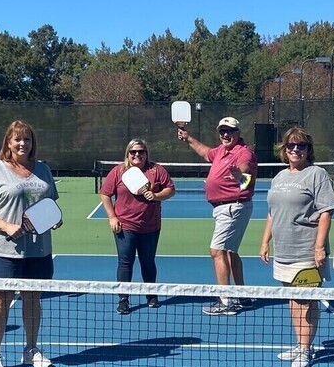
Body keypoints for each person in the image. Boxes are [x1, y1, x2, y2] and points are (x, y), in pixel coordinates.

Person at [0, 120, 60, 367]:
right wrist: (6, 226)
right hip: (4, 250)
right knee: (1, 300)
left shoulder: (43, 170)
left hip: (39, 250)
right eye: (17, 139)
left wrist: (53, 219)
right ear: (9, 143)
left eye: (27, 139)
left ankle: (31, 349)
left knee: (32, 298)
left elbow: (50, 205)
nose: (23, 143)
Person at [260, 127, 334, 367]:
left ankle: (305, 348)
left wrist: (319, 247)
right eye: (291, 145)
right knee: (293, 299)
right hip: (283, 250)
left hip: (306, 250)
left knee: (305, 301)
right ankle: (301, 343)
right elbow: (272, 213)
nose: (295, 149)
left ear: (308, 149)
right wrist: (265, 241)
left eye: (301, 145)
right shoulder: (279, 177)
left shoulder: (317, 174)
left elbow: (326, 212)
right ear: (284, 149)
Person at [177, 116, 258, 316]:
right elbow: (206, 152)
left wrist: (239, 176)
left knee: (217, 251)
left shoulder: (243, 152)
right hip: (226, 208)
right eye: (222, 131)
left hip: (233, 207)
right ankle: (242, 296)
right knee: (230, 252)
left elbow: (245, 174)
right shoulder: (221, 150)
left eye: (229, 131)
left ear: (238, 133)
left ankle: (225, 301)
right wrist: (188, 138)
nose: (225, 134)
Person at [100, 139, 176, 314]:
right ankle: (123, 299)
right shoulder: (118, 171)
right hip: (125, 226)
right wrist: (112, 217)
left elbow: (170, 190)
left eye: (141, 151)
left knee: (148, 262)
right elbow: (105, 194)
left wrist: (156, 196)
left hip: (151, 226)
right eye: (133, 152)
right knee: (125, 262)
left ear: (146, 153)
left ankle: (151, 295)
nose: (137, 155)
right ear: (128, 154)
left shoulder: (157, 170)